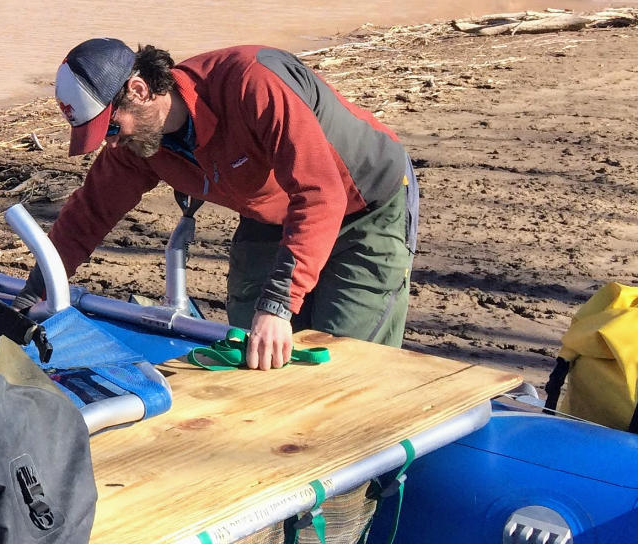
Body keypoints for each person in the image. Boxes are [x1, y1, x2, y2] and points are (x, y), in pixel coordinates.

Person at [43, 38, 416, 370]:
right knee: (247, 346)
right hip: (272, 212)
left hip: (363, 204)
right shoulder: (137, 145)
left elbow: (320, 194)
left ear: (139, 90)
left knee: (344, 359)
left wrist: (277, 307)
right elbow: (88, 215)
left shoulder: (251, 83)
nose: (110, 143)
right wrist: (36, 292)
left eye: (110, 128)